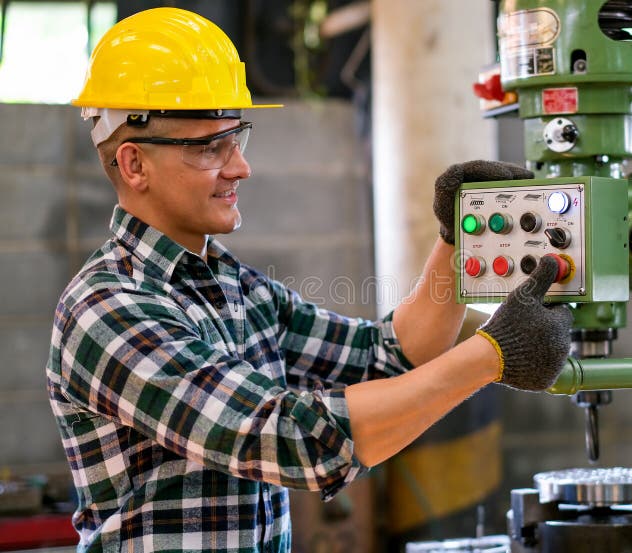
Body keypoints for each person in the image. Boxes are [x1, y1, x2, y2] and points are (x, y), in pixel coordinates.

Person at [46, 7, 572, 552]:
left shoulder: (239, 288)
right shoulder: (109, 307)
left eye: (236, 139)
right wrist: (492, 355)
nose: (240, 167)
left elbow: (389, 356)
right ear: (134, 164)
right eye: (209, 148)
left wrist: (456, 240)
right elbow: (290, 439)